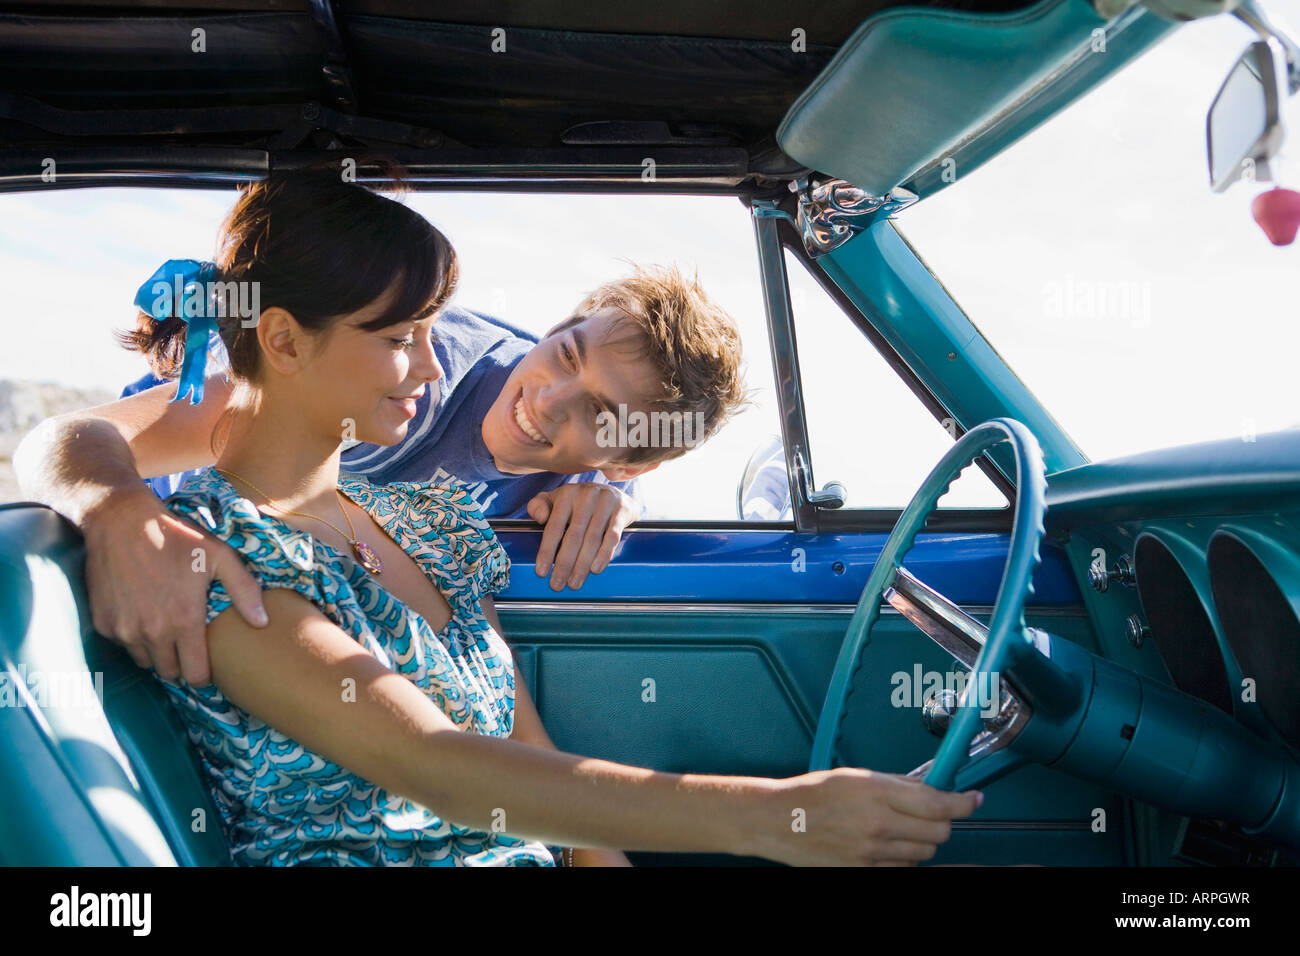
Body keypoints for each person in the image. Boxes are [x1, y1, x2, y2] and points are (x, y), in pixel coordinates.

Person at [16, 168, 983, 867]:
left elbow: (521, 748)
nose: (441, 367)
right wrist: (122, 514)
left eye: (601, 422)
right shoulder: (235, 562)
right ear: (283, 340)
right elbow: (433, 765)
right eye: (403, 339)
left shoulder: (424, 525)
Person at [15, 167, 747, 687]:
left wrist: (611, 496)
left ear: (628, 460)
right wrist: (124, 518)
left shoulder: (583, 479)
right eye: (564, 355)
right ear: (552, 331)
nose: (550, 399)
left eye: (599, 414)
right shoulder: (399, 382)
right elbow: (69, 438)